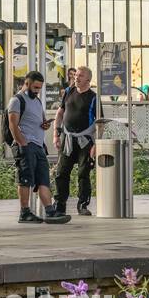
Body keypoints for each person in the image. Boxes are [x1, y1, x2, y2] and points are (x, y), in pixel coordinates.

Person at [8, 72, 70, 224]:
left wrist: (45, 124)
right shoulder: (17, 100)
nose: (37, 91)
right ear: (27, 83)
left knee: (44, 179)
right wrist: (21, 142)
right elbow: (12, 124)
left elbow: (40, 121)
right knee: (25, 179)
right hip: (26, 145)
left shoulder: (37, 101)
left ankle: (50, 211)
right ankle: (24, 212)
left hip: (38, 145)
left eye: (40, 88)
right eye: (35, 87)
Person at [54, 66, 103, 217]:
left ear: (88, 79)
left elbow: (100, 123)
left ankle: (83, 204)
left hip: (85, 141)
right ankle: (60, 205)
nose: (76, 78)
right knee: (61, 172)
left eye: (80, 76)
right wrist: (56, 134)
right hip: (67, 139)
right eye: (76, 75)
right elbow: (60, 113)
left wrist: (97, 144)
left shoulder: (94, 97)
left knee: (83, 173)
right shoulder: (69, 92)